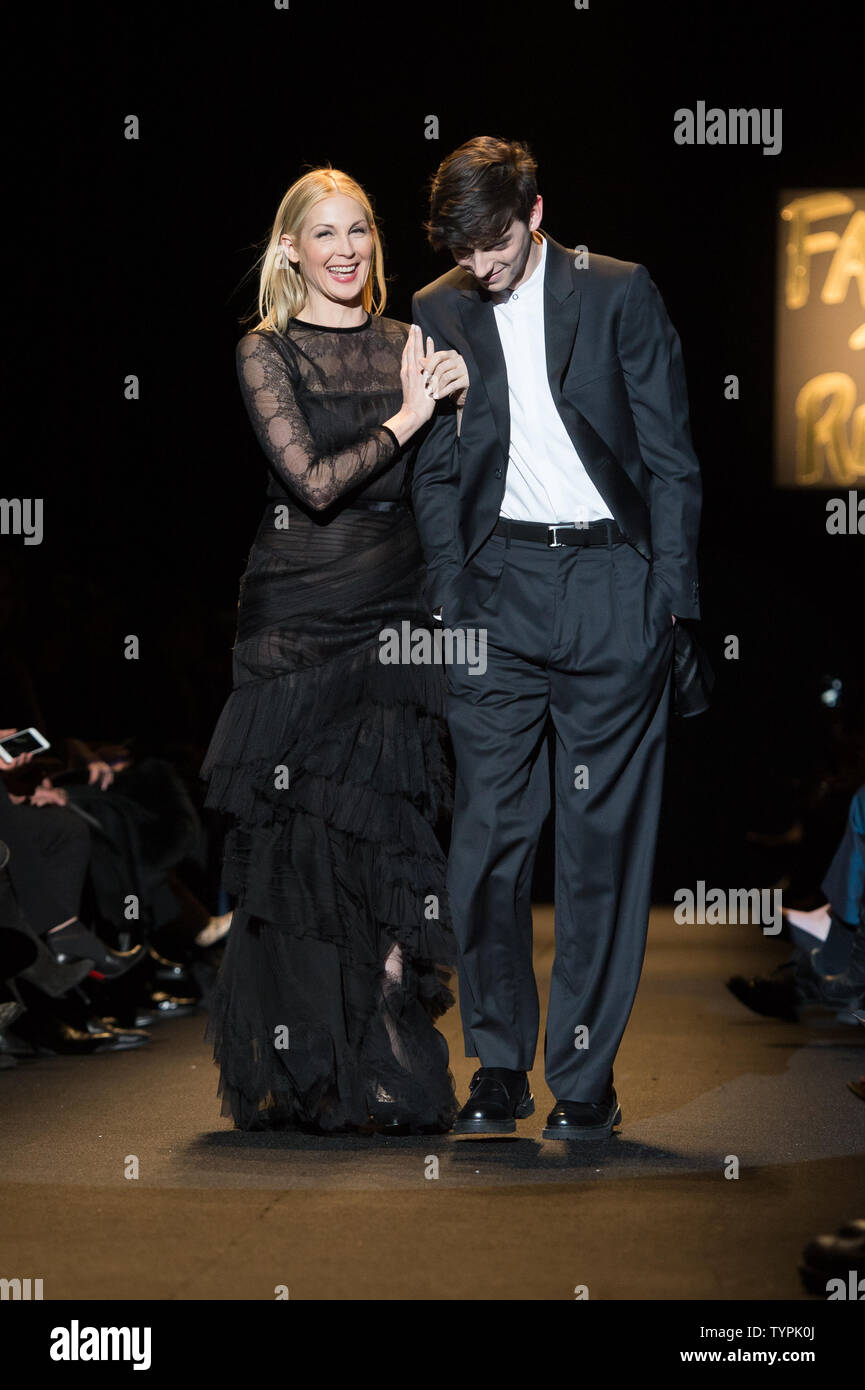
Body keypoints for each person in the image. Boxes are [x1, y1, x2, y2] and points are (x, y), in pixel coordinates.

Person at [411, 137, 702, 1140]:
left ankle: (582, 1079)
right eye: (462, 247)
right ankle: (497, 1059)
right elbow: (438, 468)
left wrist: (669, 598)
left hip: (613, 585)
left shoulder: (617, 291)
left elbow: (670, 459)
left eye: (493, 243)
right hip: (497, 592)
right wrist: (449, 590)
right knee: (485, 843)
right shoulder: (437, 306)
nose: (480, 266)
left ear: (534, 214)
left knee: (599, 851)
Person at [201, 168, 469, 1135]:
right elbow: (311, 484)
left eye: (358, 229)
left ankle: (385, 1065)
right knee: (302, 848)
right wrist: (409, 414)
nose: (346, 249)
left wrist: (460, 400)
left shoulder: (413, 343)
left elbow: (449, 485)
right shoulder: (264, 352)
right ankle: (311, 1069)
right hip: (296, 625)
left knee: (388, 837)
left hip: (395, 617)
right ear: (291, 250)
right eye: (325, 234)